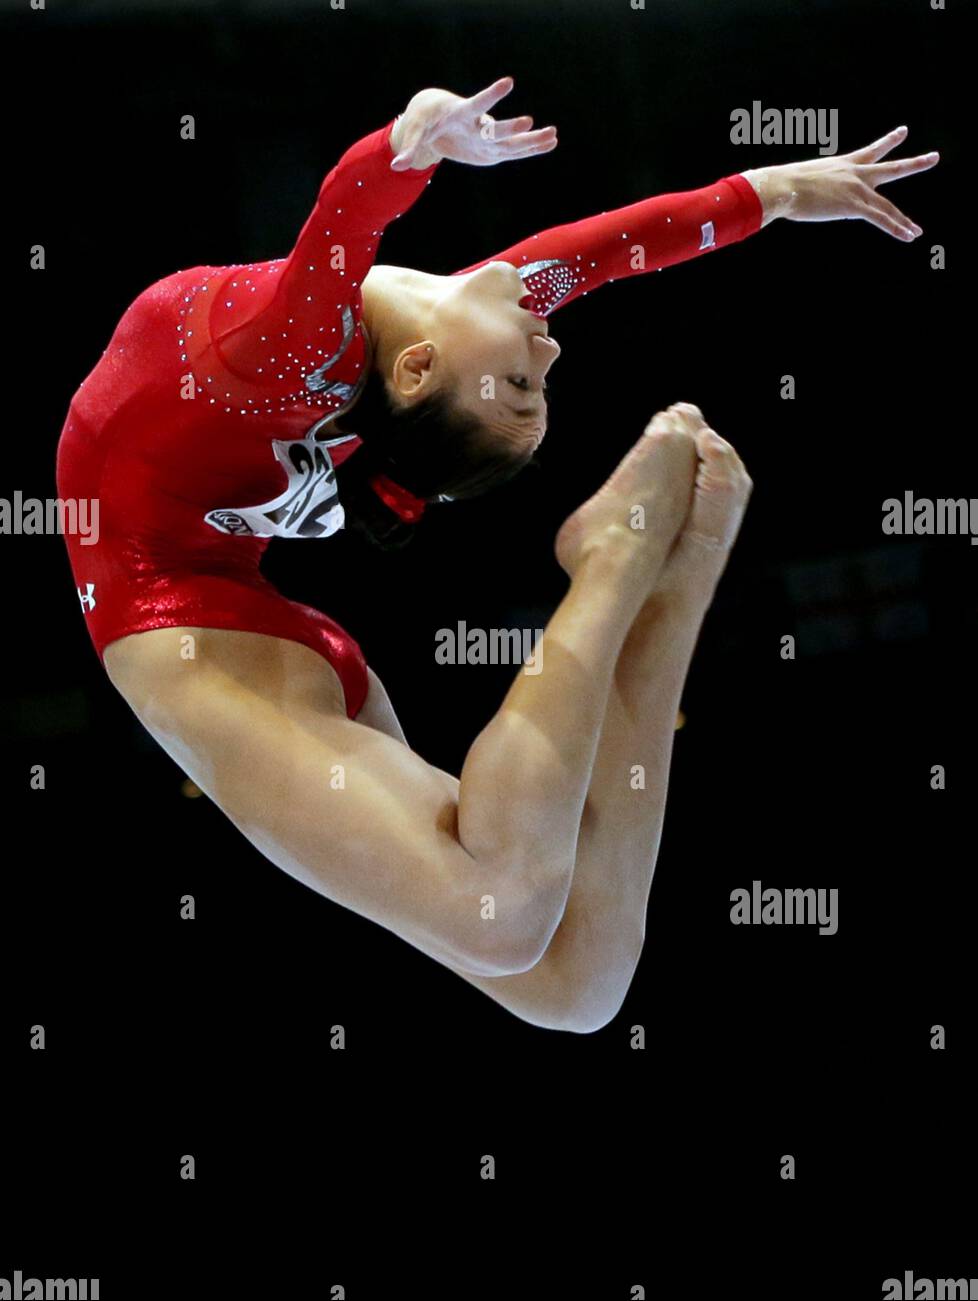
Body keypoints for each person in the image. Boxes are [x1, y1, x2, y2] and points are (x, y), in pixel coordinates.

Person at [54, 78, 937, 1030]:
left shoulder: (301, 345)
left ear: (421, 370)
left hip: (185, 626)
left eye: (519, 382)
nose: (550, 356)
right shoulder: (384, 355)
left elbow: (338, 229)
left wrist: (408, 145)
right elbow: (606, 253)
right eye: (533, 382)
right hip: (243, 637)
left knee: (514, 932)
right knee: (578, 989)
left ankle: (615, 568)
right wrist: (776, 191)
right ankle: (659, 585)